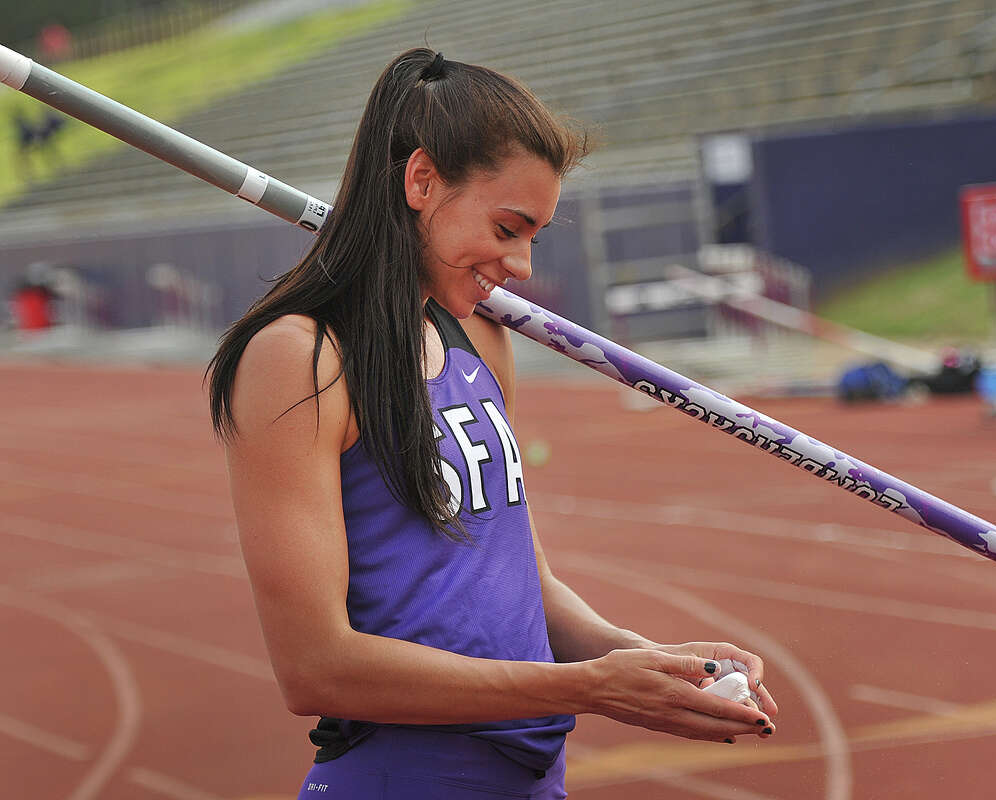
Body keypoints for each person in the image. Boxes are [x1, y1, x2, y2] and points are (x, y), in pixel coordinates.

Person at [206, 48, 779, 799]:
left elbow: (520, 585)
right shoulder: (299, 358)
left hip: (535, 780)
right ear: (421, 181)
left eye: (534, 235)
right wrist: (589, 688)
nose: (523, 265)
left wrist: (649, 663)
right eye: (508, 227)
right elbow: (316, 667)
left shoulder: (478, 338)